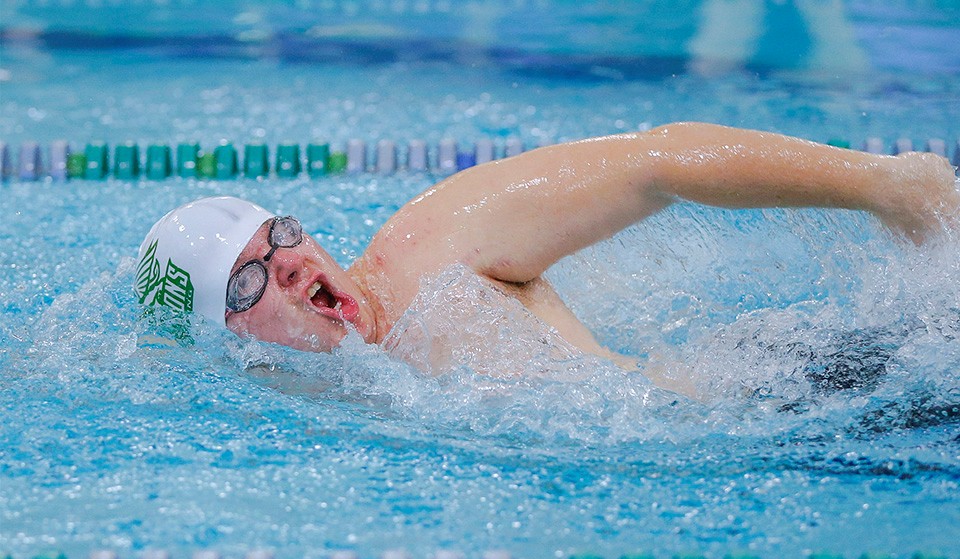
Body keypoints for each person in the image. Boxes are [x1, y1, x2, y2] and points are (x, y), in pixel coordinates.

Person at [136, 122, 959, 390]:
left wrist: (891, 188)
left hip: (809, 387)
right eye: (246, 279)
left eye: (277, 236)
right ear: (232, 338)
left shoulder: (434, 251)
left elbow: (658, 162)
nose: (283, 264)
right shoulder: (310, 412)